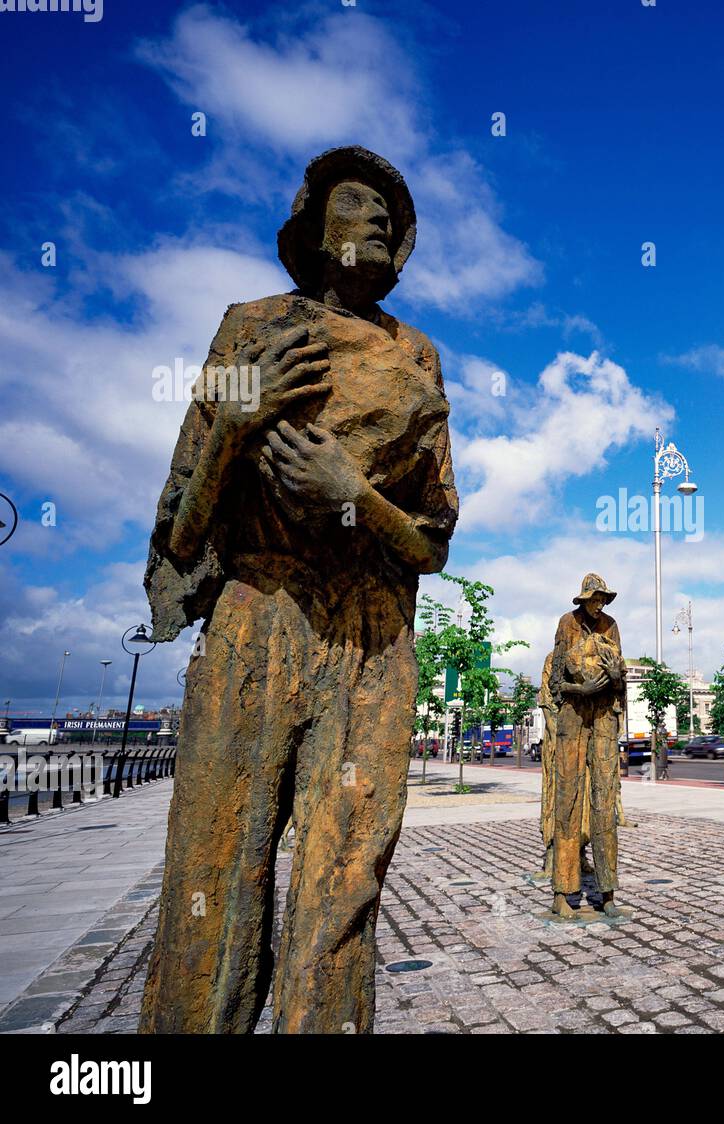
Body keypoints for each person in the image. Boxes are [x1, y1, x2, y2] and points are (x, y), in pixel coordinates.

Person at [139, 147, 458, 1034]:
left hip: (373, 634)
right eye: (356, 201)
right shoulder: (251, 328)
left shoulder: (419, 354)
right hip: (258, 610)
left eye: (393, 211)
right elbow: (181, 531)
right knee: (212, 869)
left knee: (343, 879)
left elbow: (433, 542)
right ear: (313, 224)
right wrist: (233, 430)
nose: (380, 218)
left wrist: (352, 497)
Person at [548, 574, 626, 917]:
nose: (600, 604)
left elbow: (621, 681)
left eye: (603, 599)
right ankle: (562, 894)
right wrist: (582, 690)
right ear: (583, 600)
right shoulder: (567, 624)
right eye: (595, 599)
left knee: (604, 799)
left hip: (604, 717)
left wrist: (616, 676)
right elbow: (555, 684)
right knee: (568, 796)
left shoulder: (611, 626)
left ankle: (607, 893)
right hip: (573, 716)